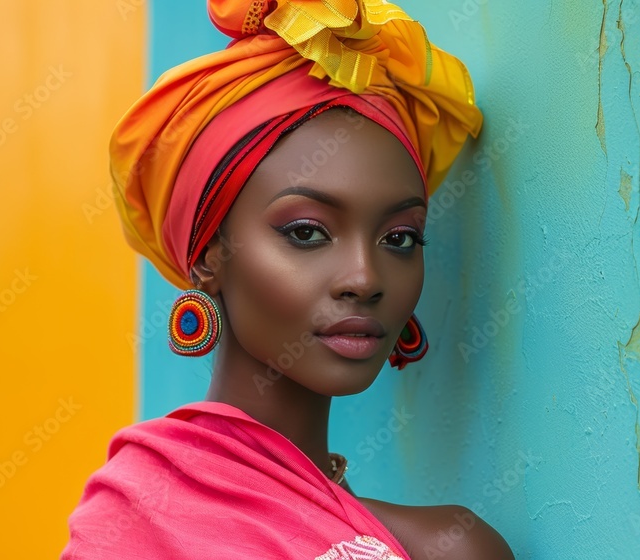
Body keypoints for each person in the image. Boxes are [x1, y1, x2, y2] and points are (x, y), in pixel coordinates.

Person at [62, 1, 514, 558]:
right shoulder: (133, 523)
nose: (364, 277)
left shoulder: (451, 548)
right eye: (306, 232)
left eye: (399, 238)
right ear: (209, 256)